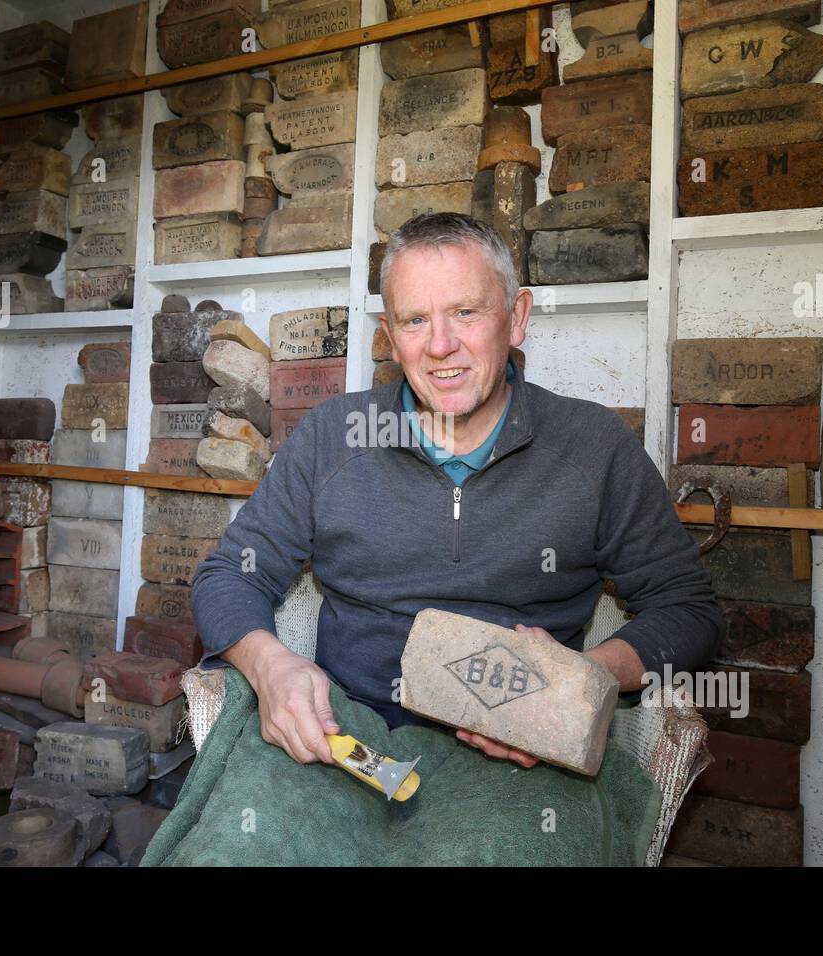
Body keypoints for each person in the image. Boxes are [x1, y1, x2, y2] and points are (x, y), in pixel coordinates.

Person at [189, 212, 723, 769]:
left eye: (465, 313)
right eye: (415, 321)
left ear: (516, 319)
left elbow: (689, 609)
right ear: (391, 339)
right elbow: (229, 574)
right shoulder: (332, 436)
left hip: (524, 749)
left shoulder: (595, 447)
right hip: (347, 732)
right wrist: (271, 664)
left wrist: (582, 681)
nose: (440, 346)